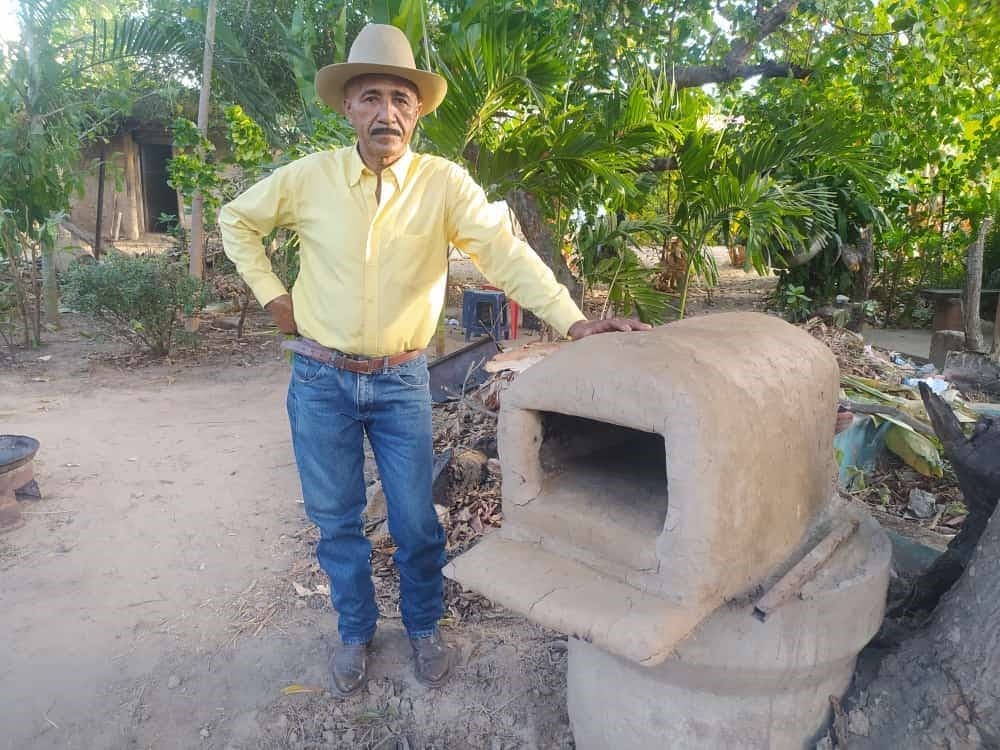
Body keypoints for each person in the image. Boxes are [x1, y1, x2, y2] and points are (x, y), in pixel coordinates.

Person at [219, 23, 649, 696]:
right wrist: (273, 295)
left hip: (400, 382)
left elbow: (503, 254)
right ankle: (356, 632)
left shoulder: (443, 184)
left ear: (416, 111)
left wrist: (572, 320)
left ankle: (423, 625)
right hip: (320, 379)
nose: (385, 111)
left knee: (417, 521)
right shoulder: (309, 179)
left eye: (399, 97)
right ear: (348, 108)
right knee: (335, 522)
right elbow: (236, 220)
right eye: (369, 97)